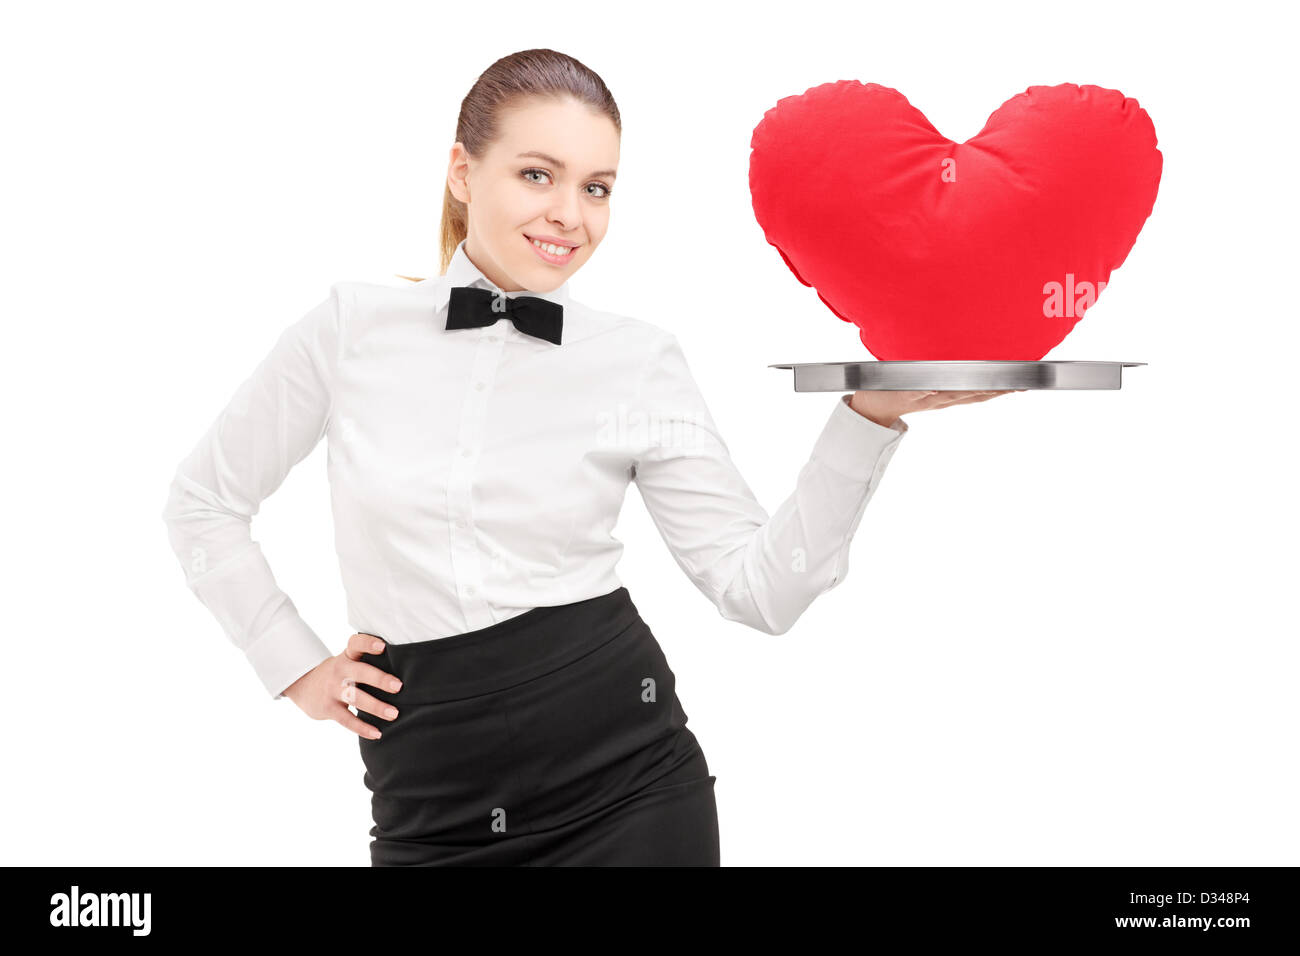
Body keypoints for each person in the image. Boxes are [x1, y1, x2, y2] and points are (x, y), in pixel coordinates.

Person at [160, 48, 1020, 867]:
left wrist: (866, 419)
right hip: (428, 802)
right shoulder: (347, 328)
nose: (570, 213)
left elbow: (759, 591)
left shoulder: (638, 361)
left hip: (629, 785)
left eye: (596, 186)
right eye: (538, 173)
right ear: (463, 172)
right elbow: (203, 502)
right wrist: (296, 667)